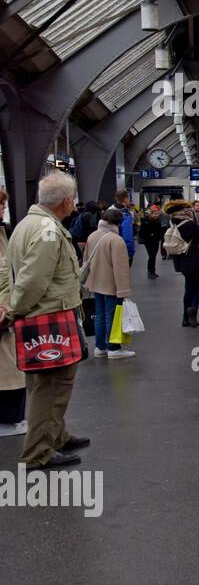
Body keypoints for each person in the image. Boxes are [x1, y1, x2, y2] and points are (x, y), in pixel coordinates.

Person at [6, 171, 90, 468]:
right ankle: (38, 452)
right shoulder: (48, 232)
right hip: (50, 320)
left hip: (43, 318)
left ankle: (57, 435)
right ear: (66, 202)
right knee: (52, 387)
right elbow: (32, 281)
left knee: (44, 385)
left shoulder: (26, 225)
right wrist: (13, 310)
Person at [84, 206, 135, 359]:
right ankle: (114, 348)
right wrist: (124, 290)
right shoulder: (116, 240)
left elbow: (86, 259)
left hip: (95, 283)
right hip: (112, 284)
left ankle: (100, 347)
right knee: (113, 316)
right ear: (119, 223)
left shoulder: (92, 236)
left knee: (99, 315)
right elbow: (121, 269)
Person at [0, 188, 28, 439]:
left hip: (7, 311)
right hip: (2, 313)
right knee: (9, 373)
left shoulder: (3, 231)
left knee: (12, 371)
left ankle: (13, 418)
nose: (2, 209)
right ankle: (9, 420)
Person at [171, 202, 199, 327]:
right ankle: (192, 309)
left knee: (189, 287)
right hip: (191, 258)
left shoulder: (173, 223)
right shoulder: (190, 224)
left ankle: (185, 318)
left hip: (179, 259)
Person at [138, 205, 164, 278]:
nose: (157, 215)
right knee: (152, 255)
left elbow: (159, 231)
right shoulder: (145, 221)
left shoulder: (157, 221)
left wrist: (160, 238)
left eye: (158, 214)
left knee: (153, 256)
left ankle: (152, 271)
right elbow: (142, 232)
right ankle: (150, 271)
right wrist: (151, 235)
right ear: (151, 213)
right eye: (155, 214)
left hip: (155, 240)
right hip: (148, 241)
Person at [112, 190, 136, 268]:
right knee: (123, 277)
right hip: (121, 250)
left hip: (108, 249)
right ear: (125, 199)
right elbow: (127, 237)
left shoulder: (108, 211)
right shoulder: (125, 215)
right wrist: (130, 253)